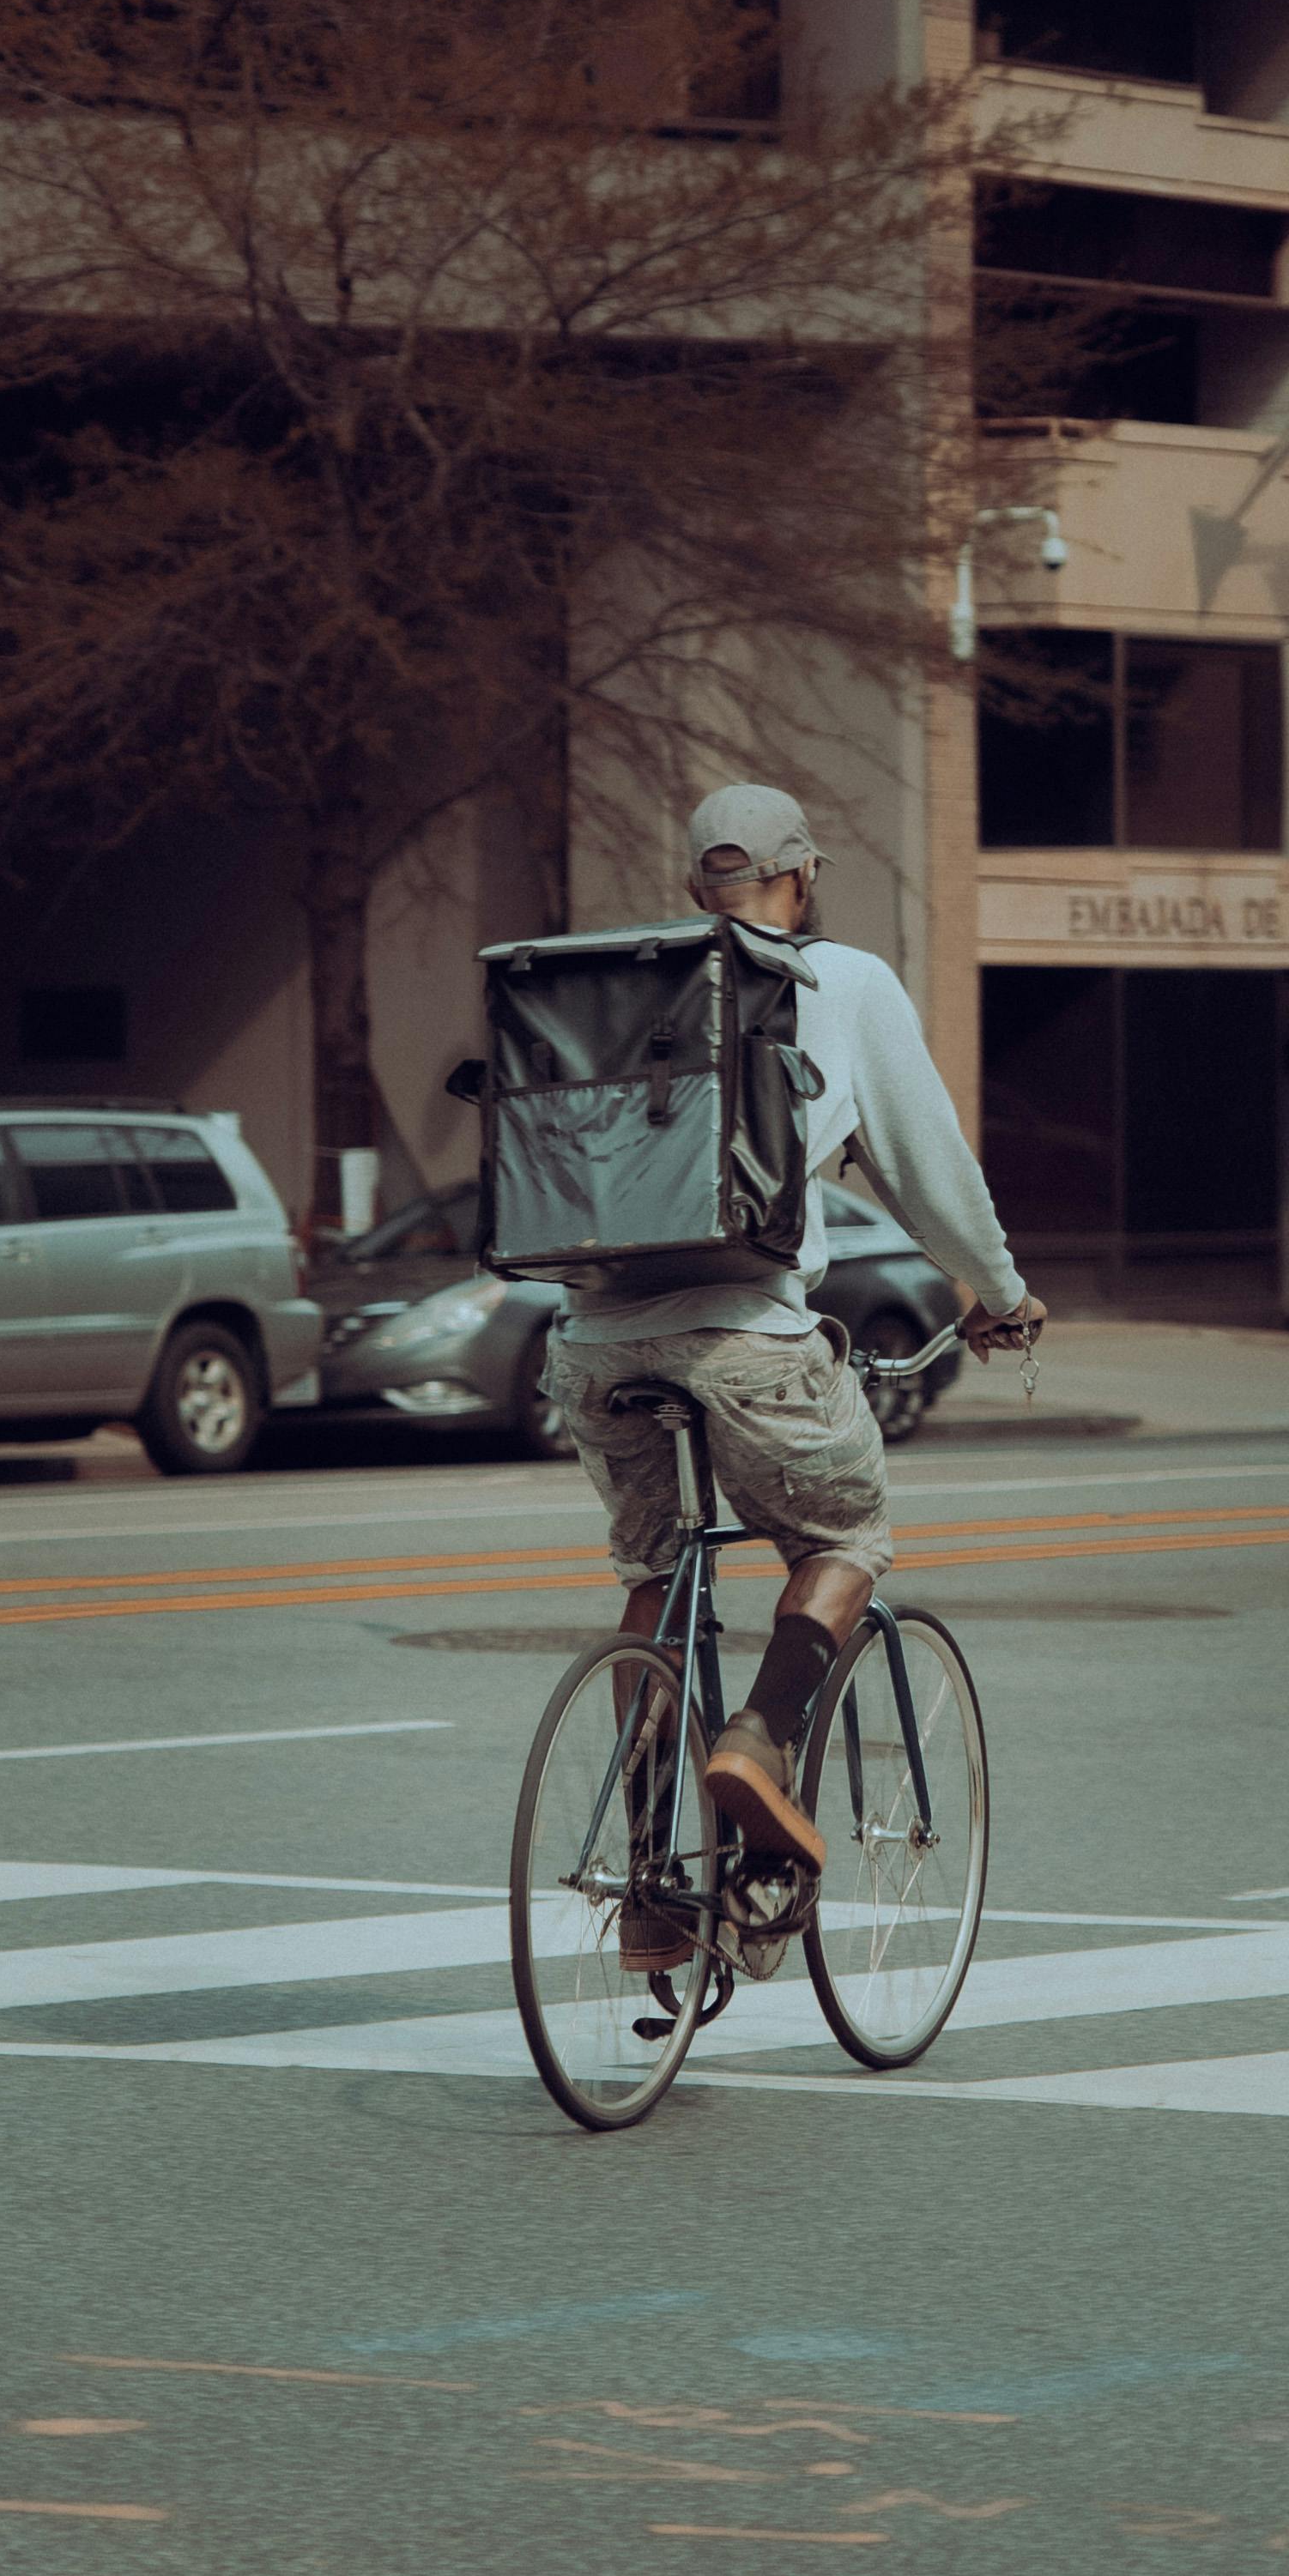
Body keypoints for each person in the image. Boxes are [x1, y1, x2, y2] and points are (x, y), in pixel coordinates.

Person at [545, 781, 1047, 1921]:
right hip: (748, 1338)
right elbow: (929, 1169)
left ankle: (650, 1894)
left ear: (696, 886)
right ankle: (758, 1746)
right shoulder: (842, 982)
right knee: (846, 1537)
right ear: (803, 874)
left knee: (655, 1579)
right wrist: (1001, 1292)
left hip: (594, 1341)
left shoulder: (622, 985)